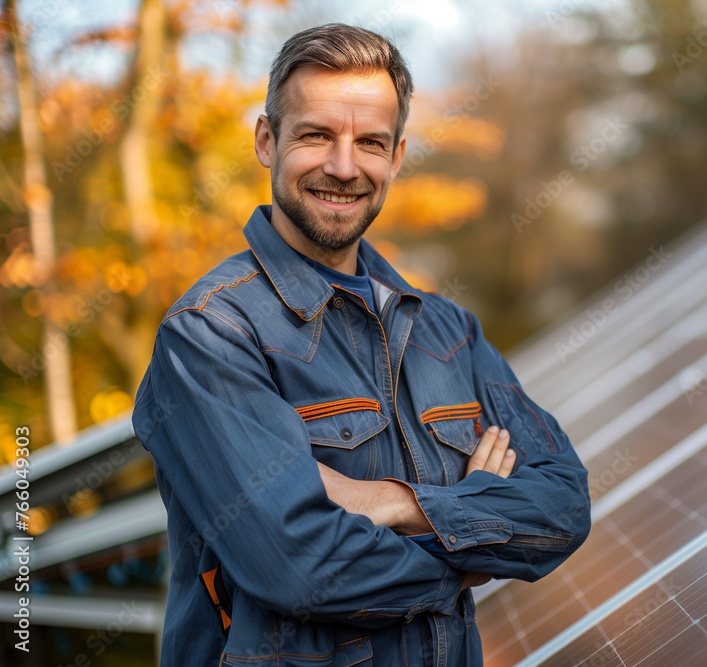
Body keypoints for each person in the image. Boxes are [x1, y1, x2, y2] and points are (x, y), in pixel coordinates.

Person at [132, 22, 591, 667]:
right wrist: (470, 551)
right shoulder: (210, 334)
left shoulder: (448, 331)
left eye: (369, 142)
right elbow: (298, 566)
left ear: (397, 157)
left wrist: (392, 504)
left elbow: (563, 505)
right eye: (317, 135)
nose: (344, 168)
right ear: (267, 142)